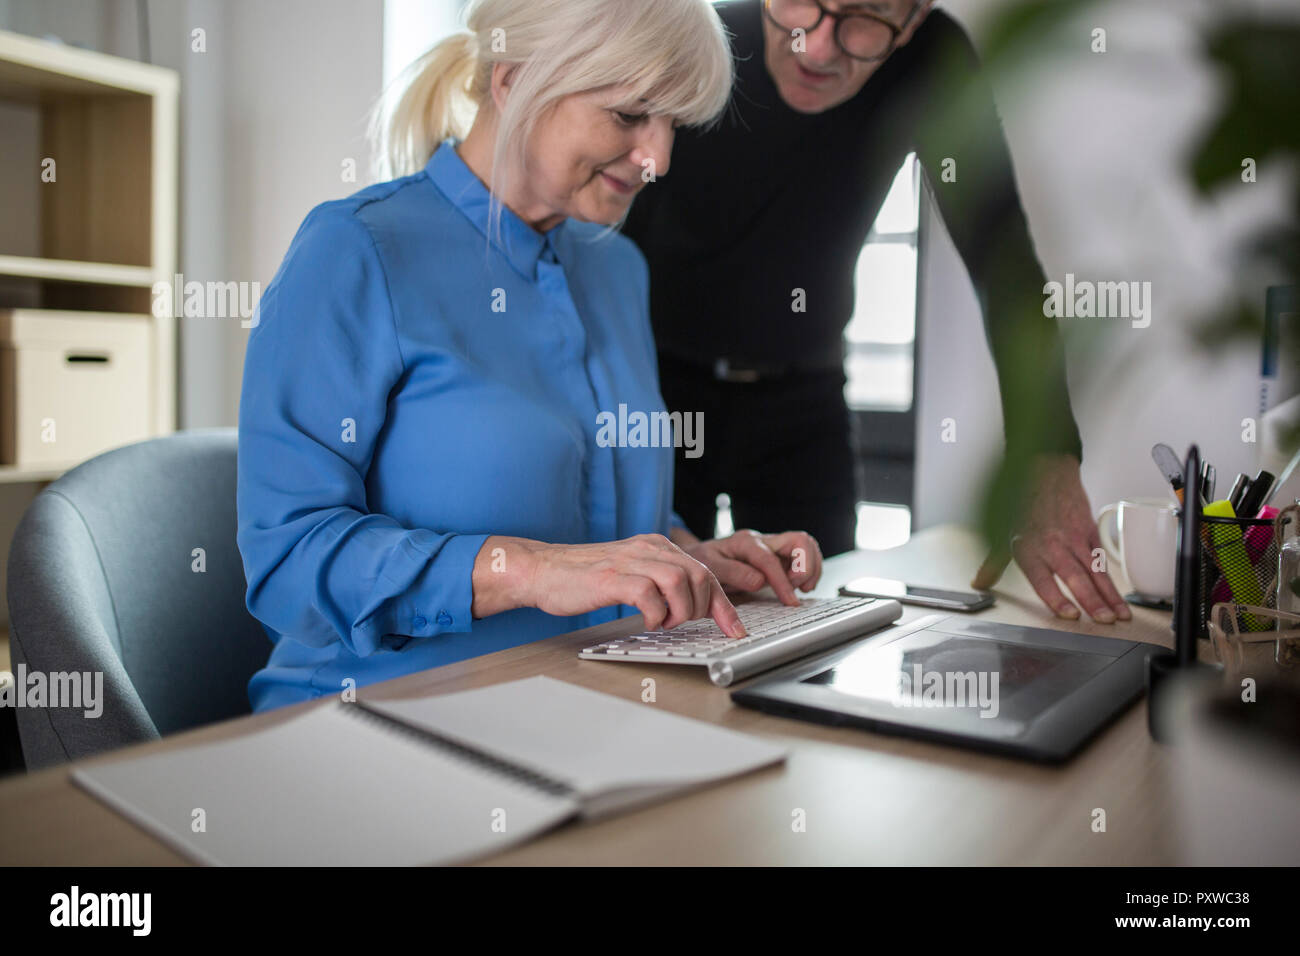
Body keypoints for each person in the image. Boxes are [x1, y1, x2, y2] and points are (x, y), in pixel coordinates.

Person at [236, 0, 826, 712]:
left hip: (590, 710)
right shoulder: (357, 251)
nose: (659, 158)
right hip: (375, 720)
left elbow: (601, 524)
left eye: (675, 124)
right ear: (514, 80)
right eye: (631, 113)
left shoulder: (618, 271)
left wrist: (687, 561)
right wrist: (528, 571)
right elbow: (286, 563)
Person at [622, 0, 1132, 625]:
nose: (819, 47)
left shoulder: (930, 57)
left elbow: (1004, 263)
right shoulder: (701, 34)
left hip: (802, 399)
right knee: (655, 625)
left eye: (865, 19)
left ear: (912, 19)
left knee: (818, 625)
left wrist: (1047, 452)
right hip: (657, 388)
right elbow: (609, 241)